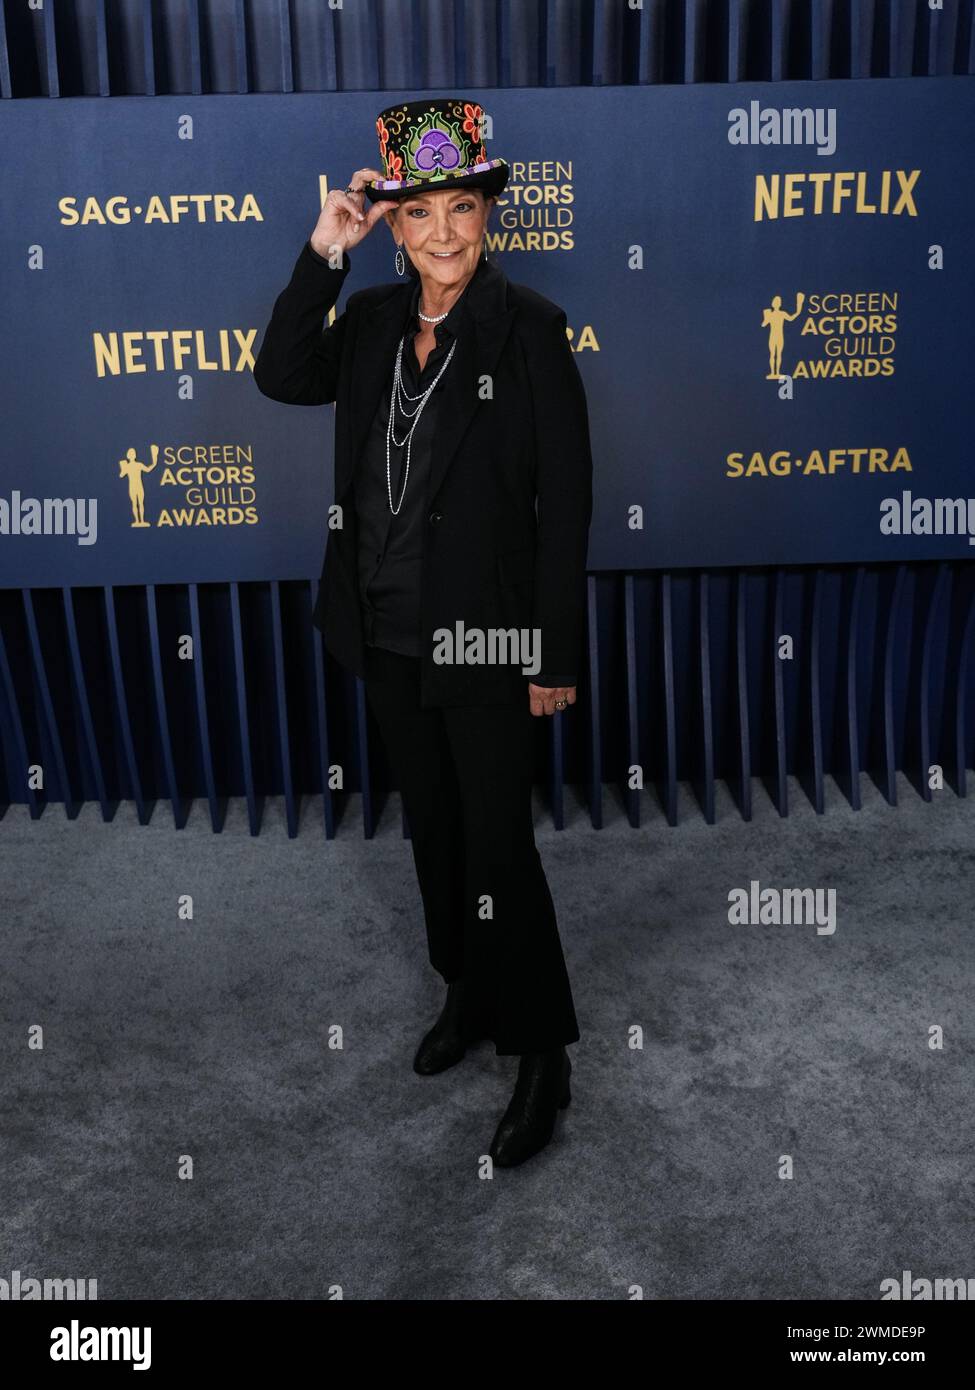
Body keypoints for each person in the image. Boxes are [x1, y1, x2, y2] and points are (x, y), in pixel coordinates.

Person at [253, 97, 593, 1167]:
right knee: (436, 833)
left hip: (486, 641)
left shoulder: (529, 330)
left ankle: (543, 1052)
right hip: (384, 632)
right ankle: (470, 992)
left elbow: (565, 503)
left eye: (462, 208)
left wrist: (552, 653)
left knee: (498, 839)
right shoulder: (361, 331)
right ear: (390, 226)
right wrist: (324, 254)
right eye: (421, 215)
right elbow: (276, 372)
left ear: (486, 213)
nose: (443, 233)